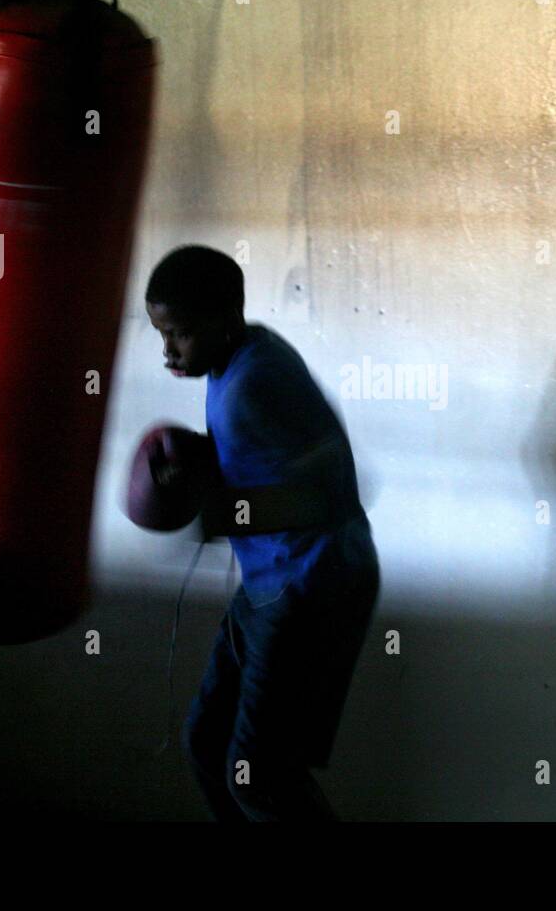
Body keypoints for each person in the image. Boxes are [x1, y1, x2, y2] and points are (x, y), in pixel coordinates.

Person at [143, 244, 380, 821]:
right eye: (162, 332)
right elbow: (273, 463)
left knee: (260, 776)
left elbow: (334, 494)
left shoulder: (256, 382)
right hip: (273, 582)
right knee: (207, 742)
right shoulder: (240, 357)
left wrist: (217, 512)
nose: (167, 349)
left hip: (316, 589)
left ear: (225, 318)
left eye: (180, 333)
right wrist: (199, 468)